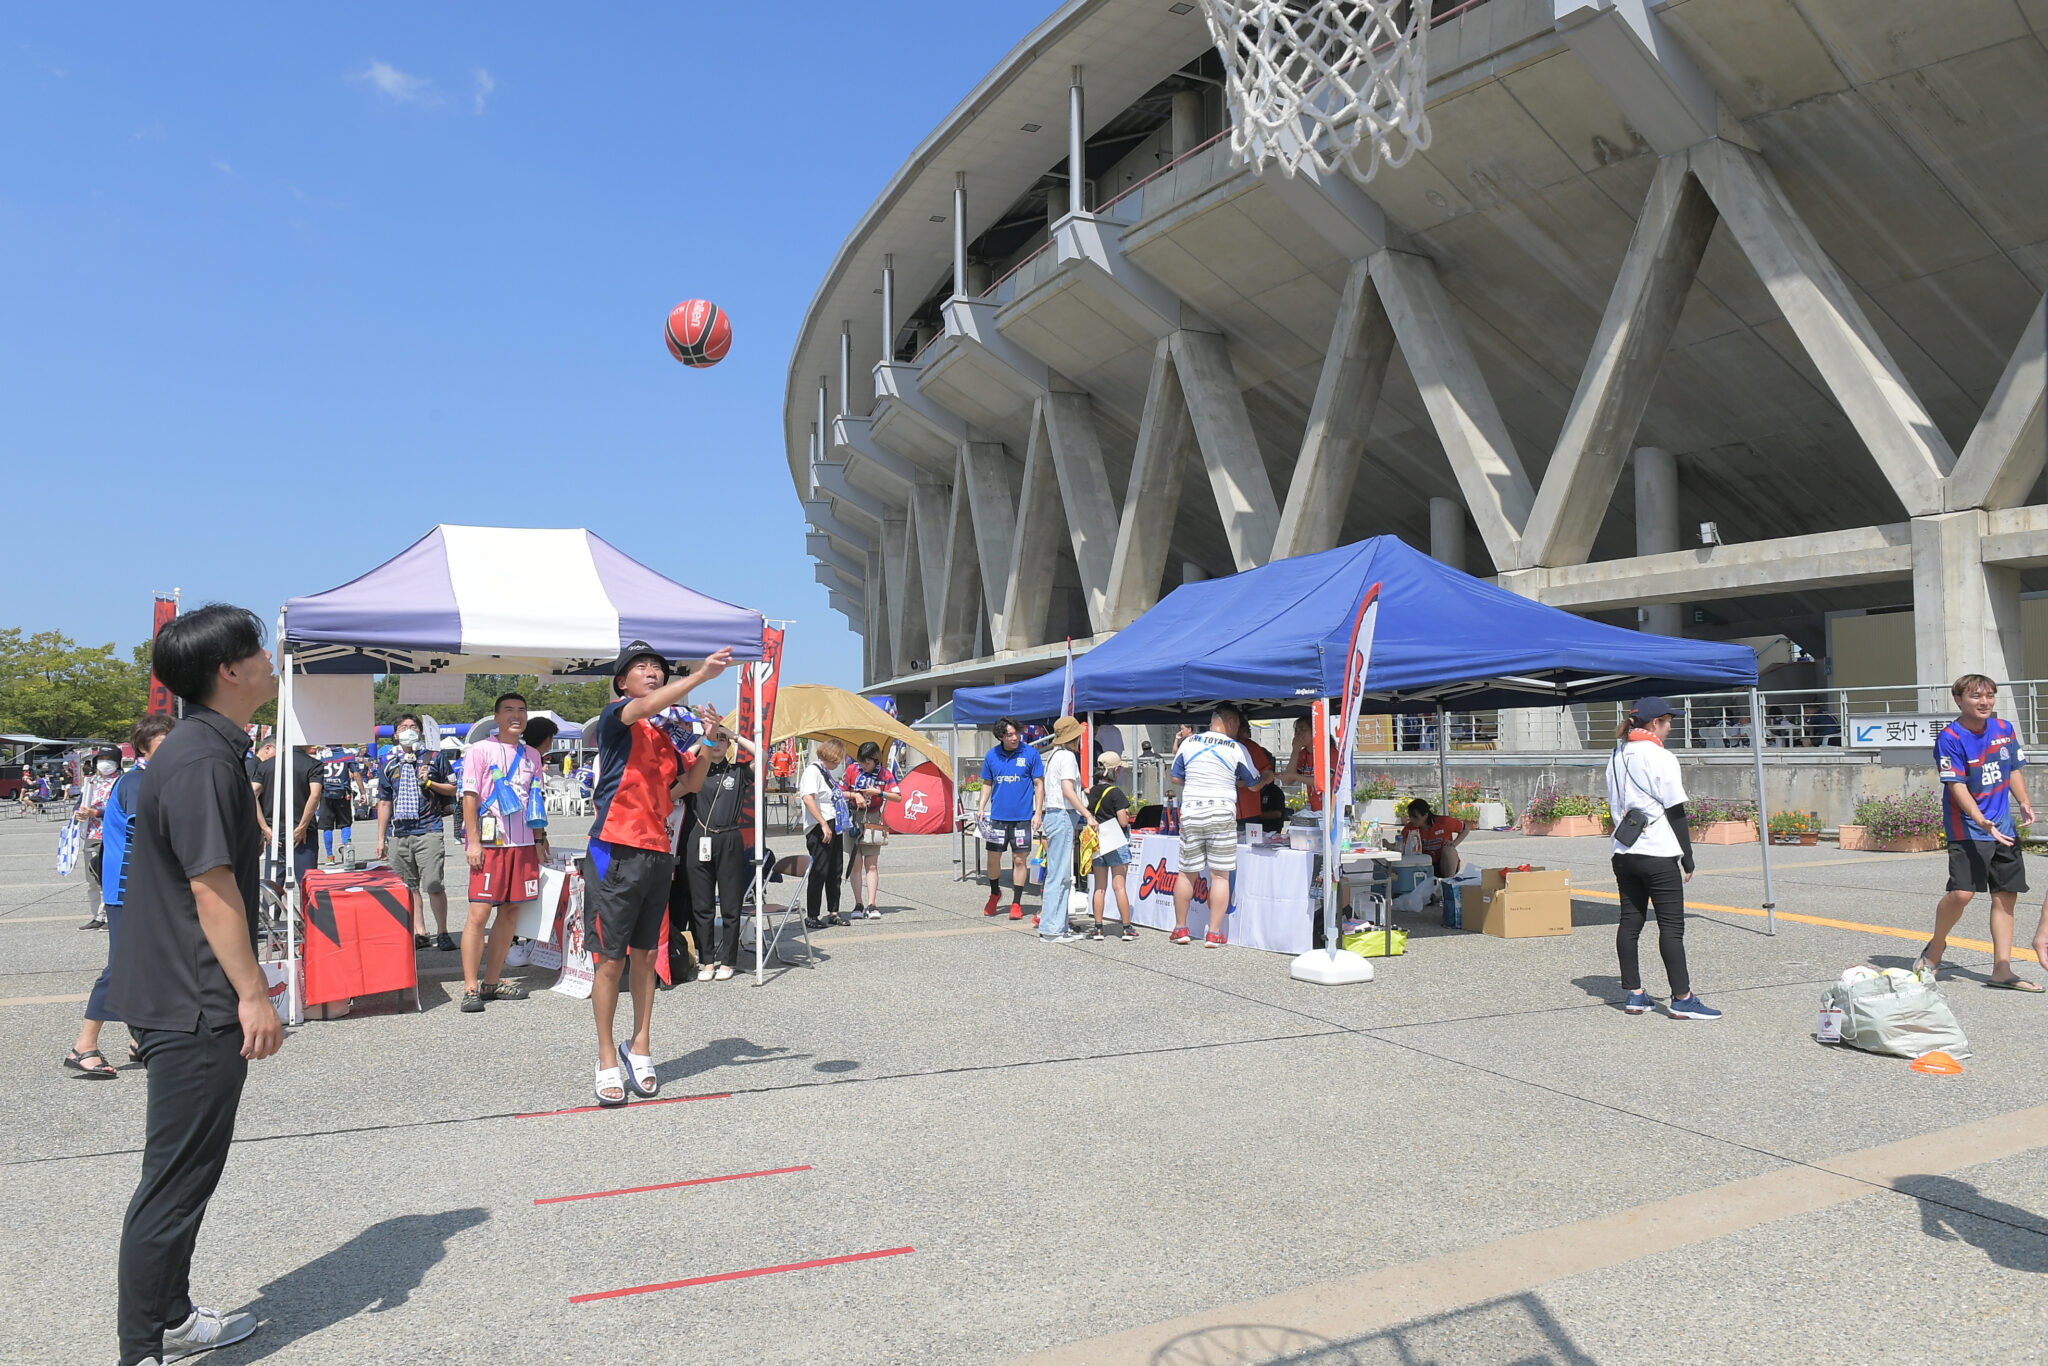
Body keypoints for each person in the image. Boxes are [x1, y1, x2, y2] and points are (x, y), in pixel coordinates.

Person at [107, 604, 282, 1366]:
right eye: (258, 651)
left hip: (175, 991)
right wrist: (253, 992)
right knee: (174, 1184)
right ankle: (142, 1346)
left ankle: (172, 1317)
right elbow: (212, 889)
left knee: (187, 1176)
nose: (270, 660)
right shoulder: (206, 760)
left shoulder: (194, 750)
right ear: (229, 670)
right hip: (197, 1000)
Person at [585, 641, 731, 1106]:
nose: (651, 673)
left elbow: (687, 784)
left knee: (647, 956)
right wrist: (701, 677)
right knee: (611, 960)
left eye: (657, 668)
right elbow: (645, 706)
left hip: (656, 853)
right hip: (615, 850)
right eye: (640, 668)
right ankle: (607, 1054)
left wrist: (710, 741)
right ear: (622, 682)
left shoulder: (665, 737)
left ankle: (640, 1043)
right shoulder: (616, 719)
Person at [63, 715, 177, 1080]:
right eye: (162, 742)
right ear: (143, 749)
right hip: (129, 888)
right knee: (122, 966)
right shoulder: (138, 783)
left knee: (149, 964)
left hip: (144, 888)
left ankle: (140, 1038)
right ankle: (84, 1044)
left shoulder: (154, 779)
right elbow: (147, 835)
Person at [1922, 674, 2044, 990]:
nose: (1984, 702)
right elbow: (1956, 785)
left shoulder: (2003, 730)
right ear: (1959, 700)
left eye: (1989, 695)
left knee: (2006, 895)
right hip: (1968, 828)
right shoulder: (1950, 737)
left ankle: (2002, 970)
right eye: (1976, 696)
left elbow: (2012, 769)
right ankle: (1936, 946)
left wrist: (2024, 802)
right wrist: (1979, 818)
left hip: (2003, 828)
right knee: (1962, 893)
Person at [1606, 697, 1718, 1020]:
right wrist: (1688, 857)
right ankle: (1682, 997)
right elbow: (1676, 811)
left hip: (1623, 852)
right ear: (1655, 723)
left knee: (1630, 921)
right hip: (1657, 852)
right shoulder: (1661, 757)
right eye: (1669, 721)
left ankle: (1635, 994)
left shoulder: (1615, 755)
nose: (1672, 727)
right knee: (1671, 927)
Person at [458, 694, 546, 1012]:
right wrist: (473, 842)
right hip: (490, 844)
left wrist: (540, 838)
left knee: (510, 913)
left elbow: (536, 799)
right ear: (496, 717)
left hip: (522, 845)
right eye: (509, 710)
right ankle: (470, 987)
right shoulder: (480, 750)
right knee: (479, 914)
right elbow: (469, 797)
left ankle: (492, 982)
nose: (516, 715)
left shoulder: (533, 755)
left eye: (522, 710)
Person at [1169, 708, 1260, 946]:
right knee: (1220, 875)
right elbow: (1253, 783)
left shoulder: (1189, 743)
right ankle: (1214, 932)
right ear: (1230, 722)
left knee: (1186, 873)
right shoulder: (1237, 748)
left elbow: (1175, 777)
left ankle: (1180, 929)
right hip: (1221, 812)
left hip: (1191, 811)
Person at [375, 713, 459, 953]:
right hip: (399, 832)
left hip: (428, 830)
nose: (408, 730)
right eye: (403, 727)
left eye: (413, 727)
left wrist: (430, 783)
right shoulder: (388, 762)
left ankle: (443, 932)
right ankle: (420, 932)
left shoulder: (434, 757)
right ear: (395, 734)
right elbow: (384, 801)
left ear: (420, 732)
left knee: (433, 884)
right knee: (408, 887)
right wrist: (381, 838)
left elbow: (454, 788)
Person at [687, 722, 758, 981]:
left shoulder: (738, 771)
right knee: (702, 904)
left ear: (728, 745)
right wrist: (703, 739)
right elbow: (680, 758)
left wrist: (735, 735)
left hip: (729, 837)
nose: (717, 744)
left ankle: (728, 959)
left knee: (730, 903)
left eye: (721, 740)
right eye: (713, 740)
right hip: (700, 836)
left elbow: (763, 757)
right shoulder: (696, 768)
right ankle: (707, 960)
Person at [978, 717, 1045, 919]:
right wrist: (981, 806)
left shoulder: (1030, 754)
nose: (1015, 737)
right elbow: (987, 783)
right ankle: (994, 893)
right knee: (992, 859)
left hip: (1022, 817)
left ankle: (1016, 902)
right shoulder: (992, 756)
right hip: (998, 817)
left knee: (1019, 859)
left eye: (1016, 733)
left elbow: (1039, 783)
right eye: (1009, 734)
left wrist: (1038, 812)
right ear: (1000, 736)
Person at [1038, 717, 1095, 943]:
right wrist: (1087, 813)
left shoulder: (1054, 756)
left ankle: (1057, 925)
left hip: (1054, 814)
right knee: (1059, 874)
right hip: (1062, 814)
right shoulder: (1068, 757)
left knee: (1058, 873)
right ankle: (1052, 929)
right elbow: (1068, 790)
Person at [255, 743, 323, 891]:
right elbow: (315, 794)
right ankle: (310, 914)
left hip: (275, 831)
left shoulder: (266, 765)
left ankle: (271, 914)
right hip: (302, 831)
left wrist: (265, 828)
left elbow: (252, 793)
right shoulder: (313, 764)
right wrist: (302, 826)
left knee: (272, 886)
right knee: (308, 886)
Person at [845, 741, 899, 921]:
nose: (863, 766)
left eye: (867, 763)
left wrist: (879, 793)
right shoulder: (852, 770)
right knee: (856, 863)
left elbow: (898, 797)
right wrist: (855, 795)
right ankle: (858, 903)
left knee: (872, 864)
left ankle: (872, 903)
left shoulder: (885, 774)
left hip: (873, 818)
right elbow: (840, 791)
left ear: (876, 760)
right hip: (853, 818)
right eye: (861, 762)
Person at [1087, 750, 1137, 941]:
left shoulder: (1092, 791)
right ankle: (1126, 928)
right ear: (1115, 770)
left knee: (1100, 887)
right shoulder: (1116, 793)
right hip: (1115, 842)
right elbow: (1123, 821)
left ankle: (1098, 928)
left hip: (1098, 842)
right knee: (1119, 886)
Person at [800, 737, 850, 929]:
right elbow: (808, 798)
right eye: (837, 759)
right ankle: (812, 914)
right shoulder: (813, 771)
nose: (838, 763)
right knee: (819, 871)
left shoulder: (825, 773)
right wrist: (823, 824)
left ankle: (833, 911)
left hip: (833, 822)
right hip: (821, 825)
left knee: (835, 869)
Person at [74, 743, 125, 930]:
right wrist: (78, 813)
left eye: (109, 759)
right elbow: (79, 804)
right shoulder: (91, 782)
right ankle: (96, 915)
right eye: (101, 760)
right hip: (90, 833)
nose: (104, 763)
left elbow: (119, 808)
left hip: (111, 835)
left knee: (107, 877)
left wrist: (95, 812)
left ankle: (110, 915)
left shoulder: (122, 781)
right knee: (91, 878)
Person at [1218, 704, 1278, 829]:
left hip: (1248, 813)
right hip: (1219, 812)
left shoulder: (1251, 747)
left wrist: (1249, 783)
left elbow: (1269, 774)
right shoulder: (1209, 745)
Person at [1397, 797, 1469, 879]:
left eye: (1415, 817)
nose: (1412, 820)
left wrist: (1454, 843)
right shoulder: (1409, 827)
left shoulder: (1444, 822)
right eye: (1410, 817)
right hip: (1424, 864)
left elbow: (1466, 828)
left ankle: (1449, 882)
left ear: (1426, 815)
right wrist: (1387, 845)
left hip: (1444, 862)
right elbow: (1400, 845)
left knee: (1449, 850)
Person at [315, 745, 362, 865]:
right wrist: (363, 791)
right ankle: (347, 853)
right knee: (345, 824)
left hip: (326, 792)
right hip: (343, 793)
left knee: (327, 826)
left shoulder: (322, 754)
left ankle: (329, 856)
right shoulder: (347, 754)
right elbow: (355, 773)